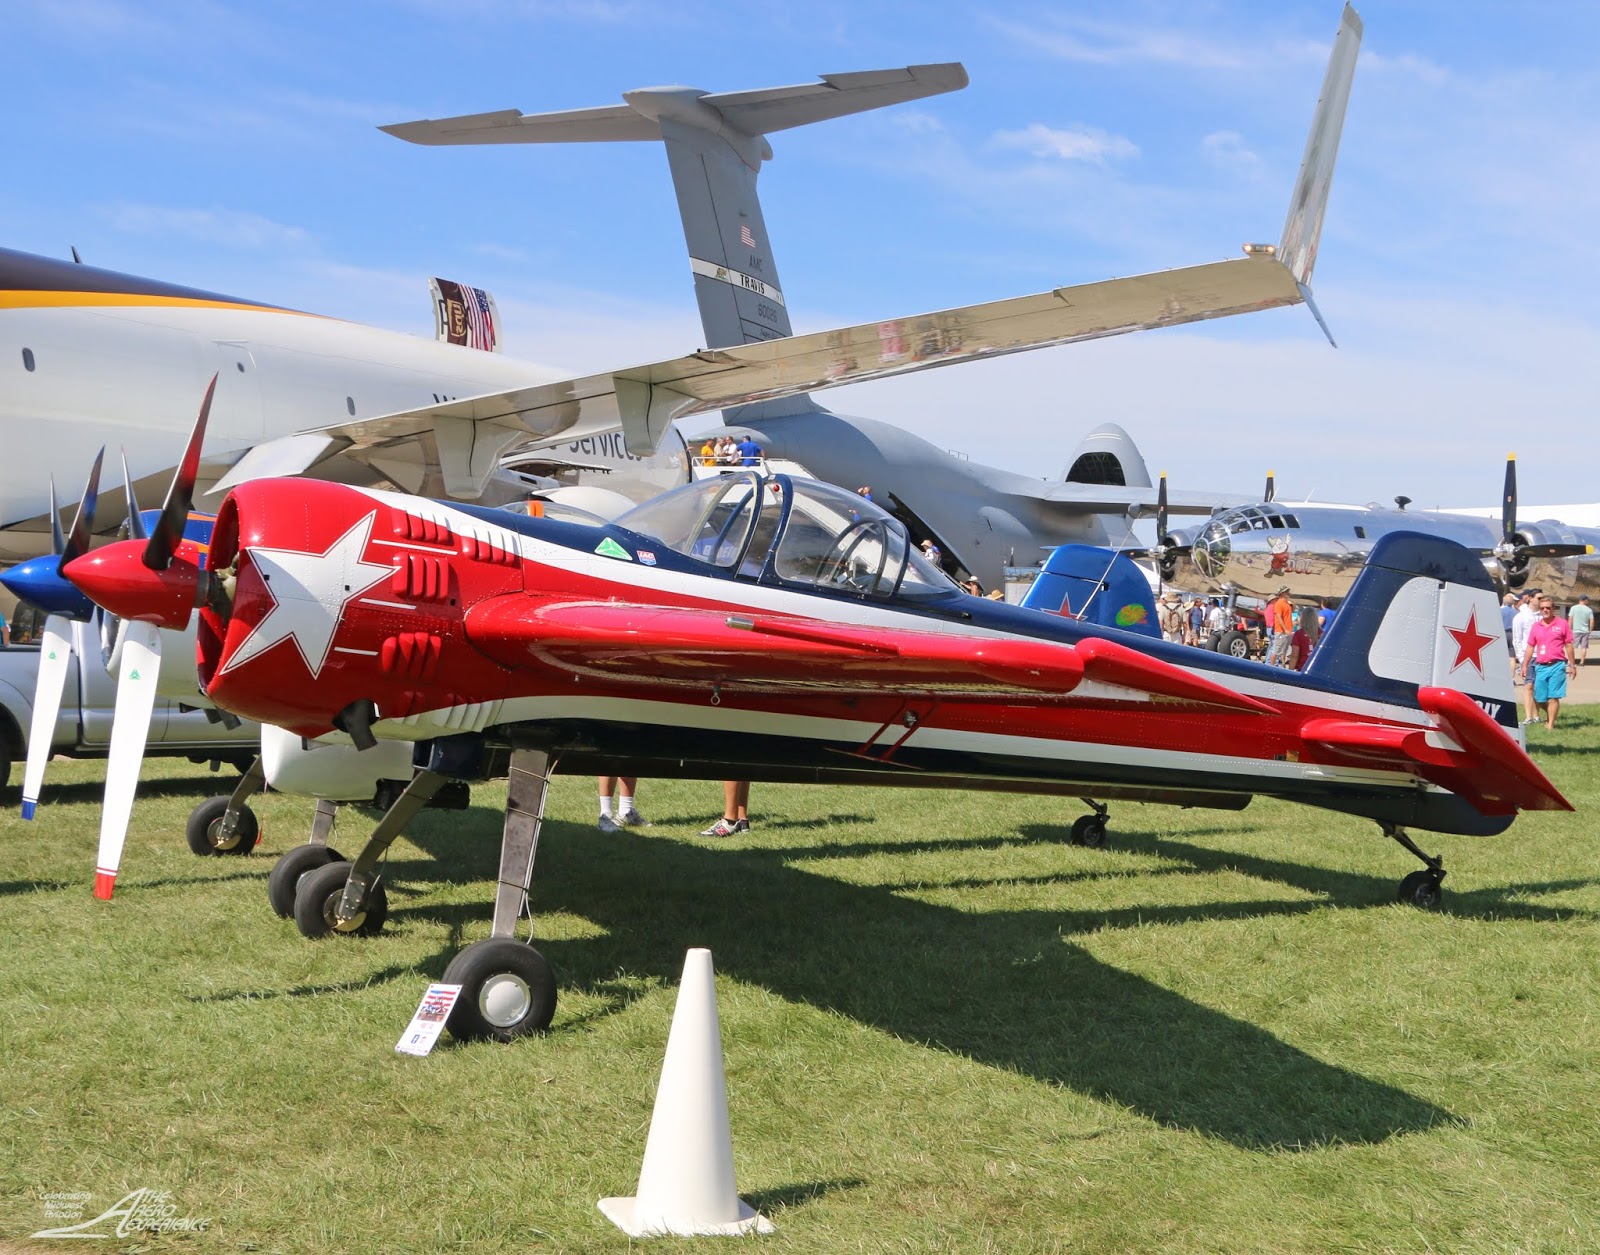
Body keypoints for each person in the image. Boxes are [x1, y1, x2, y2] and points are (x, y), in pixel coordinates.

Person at [1519, 595, 1576, 731]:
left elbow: (1568, 645)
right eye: (1543, 608)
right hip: (1540, 666)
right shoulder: (1536, 627)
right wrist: (1525, 665)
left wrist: (1572, 665)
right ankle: (1550, 714)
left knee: (1554, 696)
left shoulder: (1562, 624)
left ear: (1553, 609)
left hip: (1557, 664)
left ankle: (1550, 724)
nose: (1545, 610)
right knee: (1539, 697)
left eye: (1548, 608)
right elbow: (1530, 647)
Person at [1511, 591, 1539, 723]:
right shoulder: (1520, 617)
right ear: (1531, 599)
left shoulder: (1543, 617)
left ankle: (1536, 715)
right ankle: (1528, 716)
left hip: (1543, 656)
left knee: (1539, 687)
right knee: (1529, 686)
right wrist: (1522, 659)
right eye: (1539, 598)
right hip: (1529, 656)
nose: (1541, 600)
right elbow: (1517, 639)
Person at [1265, 587, 1295, 666]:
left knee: (1283, 650)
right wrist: (1285, 629)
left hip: (1286, 630)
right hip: (1281, 630)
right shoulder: (1279, 603)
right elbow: (1279, 616)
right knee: (1276, 650)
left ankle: (1282, 665)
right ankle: (1271, 667)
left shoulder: (1286, 604)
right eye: (1286, 591)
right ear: (1282, 593)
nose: (1288, 593)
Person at [1571, 594, 1593, 667]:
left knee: (1572, 647)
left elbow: (1570, 619)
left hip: (1576, 630)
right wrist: (1590, 631)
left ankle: (1570, 662)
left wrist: (1569, 629)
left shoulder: (1573, 608)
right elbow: (1592, 621)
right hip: (1585, 631)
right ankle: (1582, 662)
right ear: (1585, 600)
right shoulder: (1589, 610)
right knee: (1584, 647)